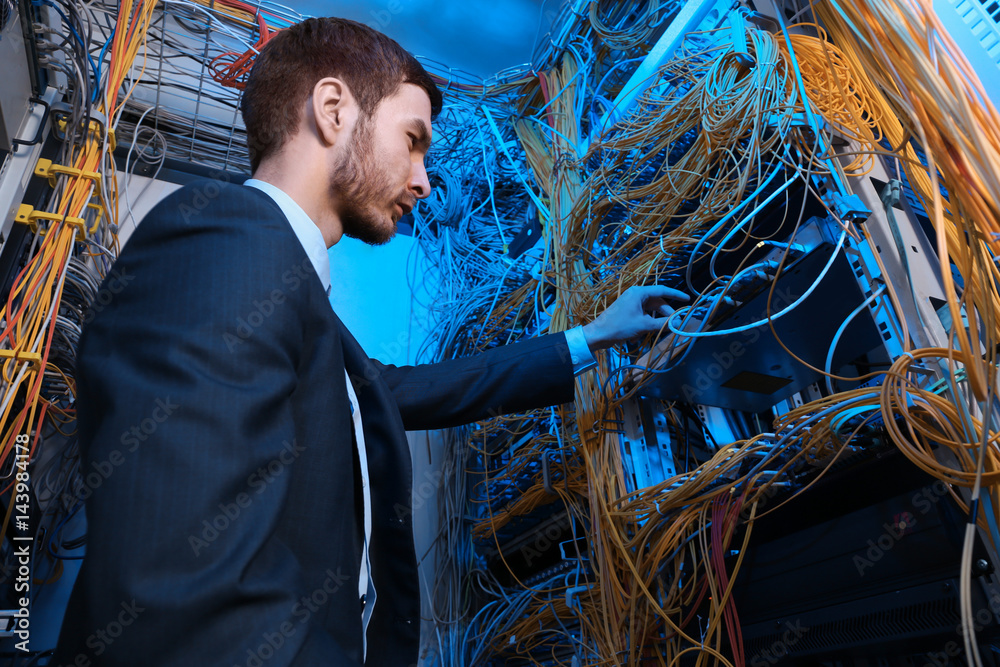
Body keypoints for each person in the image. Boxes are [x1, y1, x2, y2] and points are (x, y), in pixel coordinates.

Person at [53, 17, 687, 667]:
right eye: (412, 142)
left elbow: (405, 390)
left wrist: (590, 337)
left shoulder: (290, 292)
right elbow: (180, 593)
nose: (424, 180)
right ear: (333, 110)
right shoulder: (226, 237)